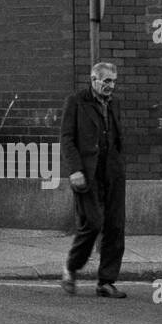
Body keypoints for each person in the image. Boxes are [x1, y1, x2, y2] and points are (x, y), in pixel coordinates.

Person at [60, 61, 127, 298]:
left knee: (116, 225)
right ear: (93, 79)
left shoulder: (114, 103)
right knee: (93, 223)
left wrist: (119, 163)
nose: (111, 86)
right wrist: (75, 169)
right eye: (107, 81)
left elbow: (117, 135)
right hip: (86, 173)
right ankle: (71, 267)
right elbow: (67, 139)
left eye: (114, 81)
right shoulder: (77, 101)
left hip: (113, 172)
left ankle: (106, 282)